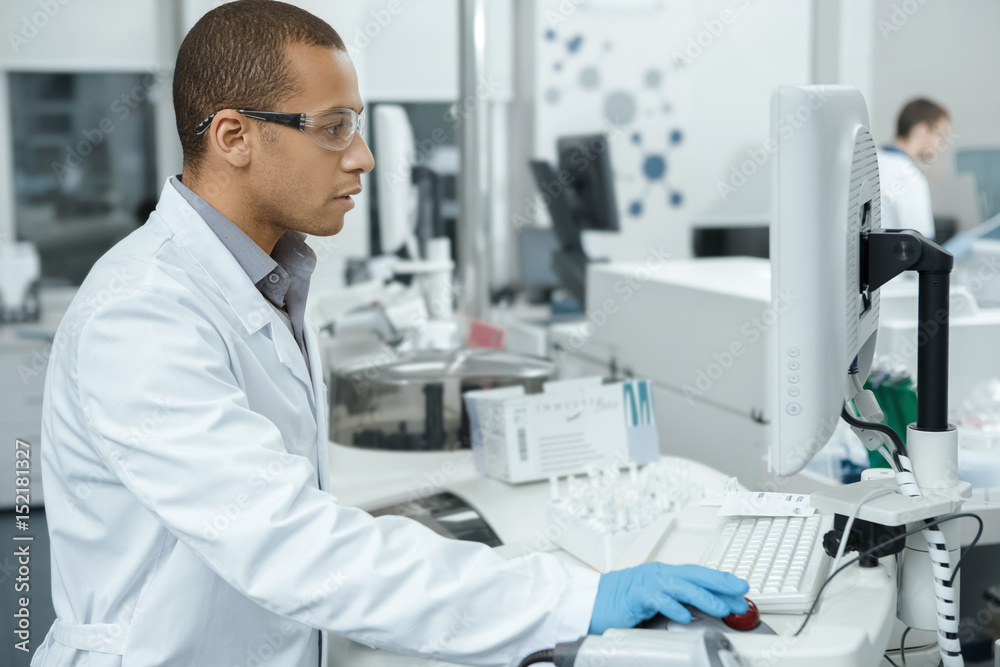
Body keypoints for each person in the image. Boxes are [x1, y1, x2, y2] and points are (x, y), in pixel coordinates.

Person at [31, 2, 748, 666]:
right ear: (233, 136)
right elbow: (291, 545)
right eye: (334, 126)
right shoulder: (140, 315)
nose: (364, 157)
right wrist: (572, 597)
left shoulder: (267, 277)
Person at [877, 98, 952, 241]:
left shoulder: (871, 160)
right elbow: (923, 246)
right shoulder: (911, 178)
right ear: (922, 130)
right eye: (940, 135)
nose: (940, 145)